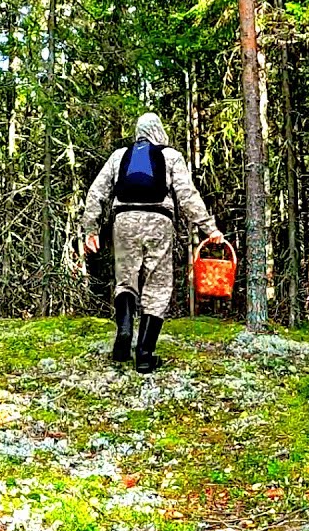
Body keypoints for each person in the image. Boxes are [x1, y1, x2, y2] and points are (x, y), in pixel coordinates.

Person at [82, 113, 225, 374]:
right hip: (159, 222)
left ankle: (124, 333)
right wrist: (209, 228)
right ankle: (145, 354)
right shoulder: (170, 156)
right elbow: (187, 195)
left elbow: (96, 192)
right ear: (159, 130)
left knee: (125, 281)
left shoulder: (119, 156)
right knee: (157, 287)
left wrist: (90, 229)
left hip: (123, 221)